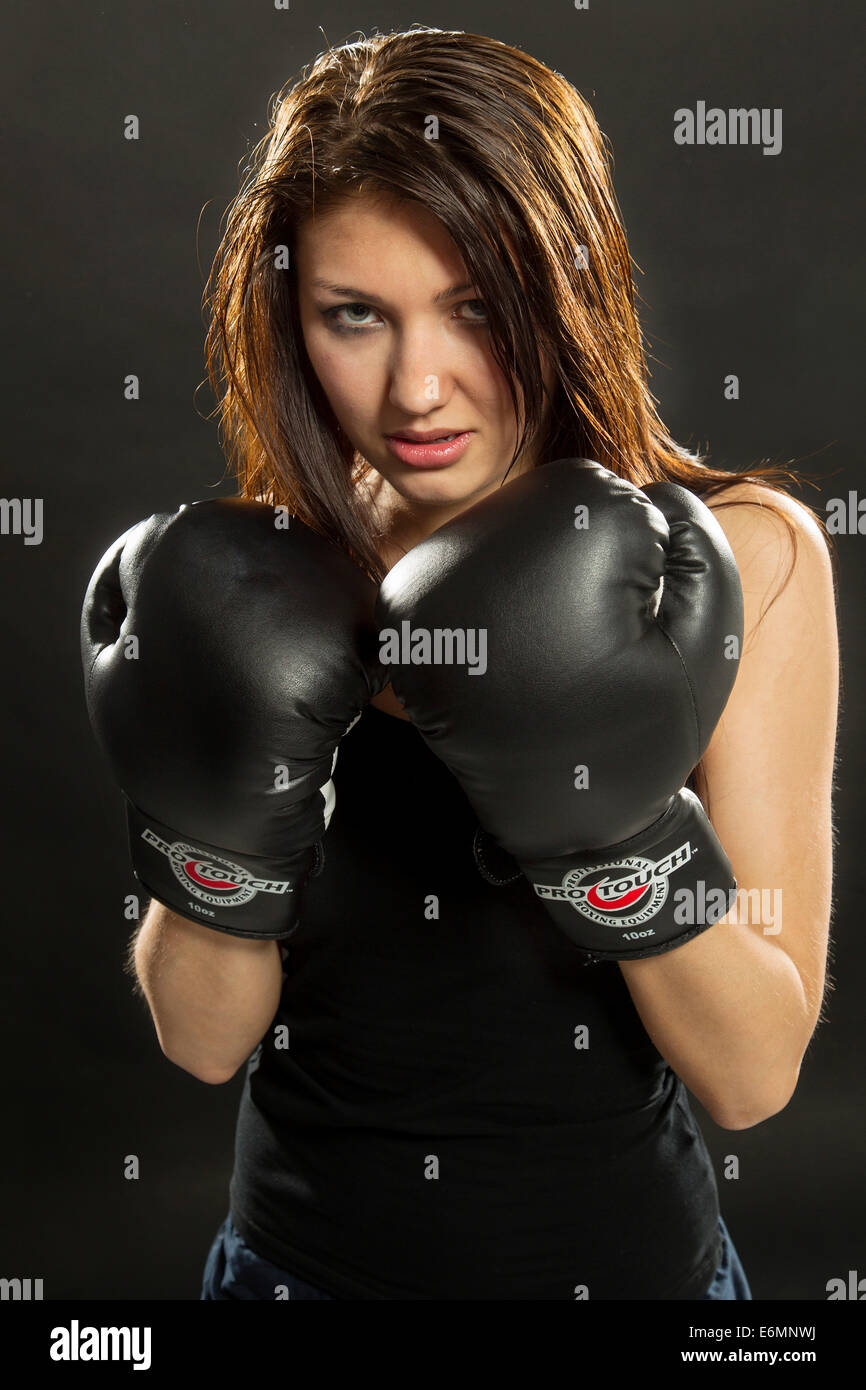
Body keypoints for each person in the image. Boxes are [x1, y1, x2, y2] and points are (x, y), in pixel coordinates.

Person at [81, 28, 839, 1300]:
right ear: (292, 317)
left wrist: (607, 827)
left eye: (474, 307)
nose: (416, 386)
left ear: (565, 285)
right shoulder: (255, 586)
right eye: (354, 316)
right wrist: (220, 812)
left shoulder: (742, 561)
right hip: (293, 1281)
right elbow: (203, 1042)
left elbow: (753, 1076)